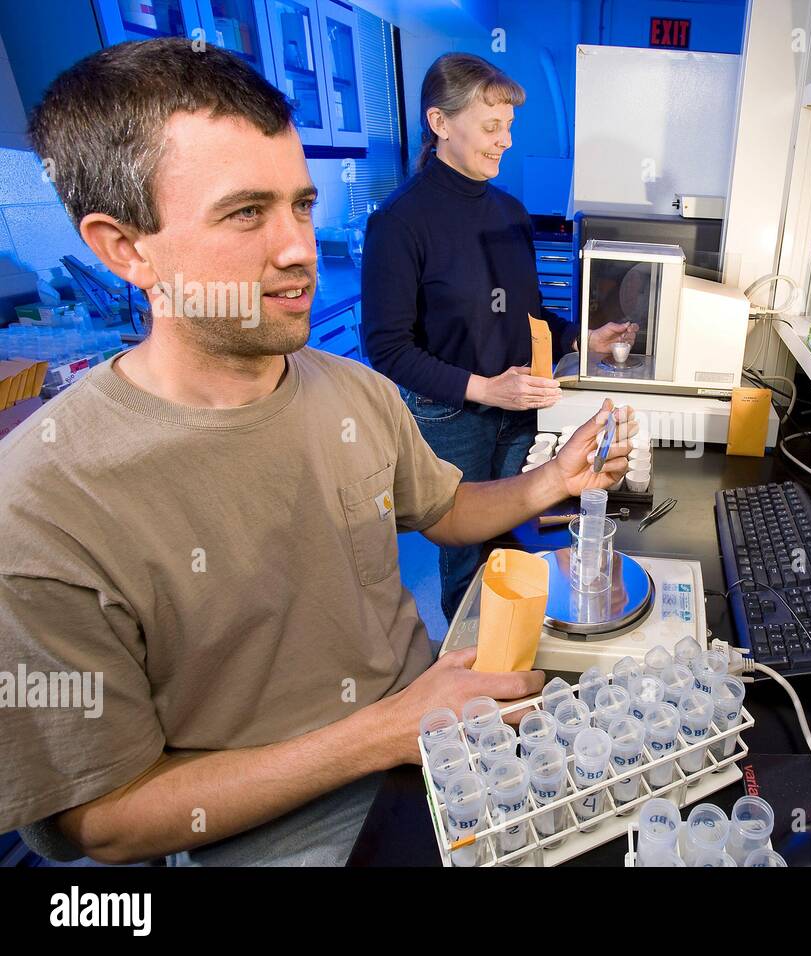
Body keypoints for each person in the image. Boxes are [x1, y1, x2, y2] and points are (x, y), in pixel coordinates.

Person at [0, 39, 634, 867]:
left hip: (436, 737)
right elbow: (102, 821)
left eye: (300, 205)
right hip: (287, 832)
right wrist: (382, 734)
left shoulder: (352, 392)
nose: (299, 247)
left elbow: (445, 509)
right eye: (245, 213)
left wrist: (554, 477)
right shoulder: (41, 508)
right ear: (125, 248)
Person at [362, 53, 635, 623]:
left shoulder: (509, 212)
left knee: (519, 539)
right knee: (467, 555)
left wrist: (583, 339)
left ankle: (518, 643)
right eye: (491, 126)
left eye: (509, 126)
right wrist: (487, 388)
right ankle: (472, 658)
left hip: (519, 410)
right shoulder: (400, 221)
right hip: (451, 417)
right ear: (440, 122)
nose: (506, 141)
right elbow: (388, 349)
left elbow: (527, 316)